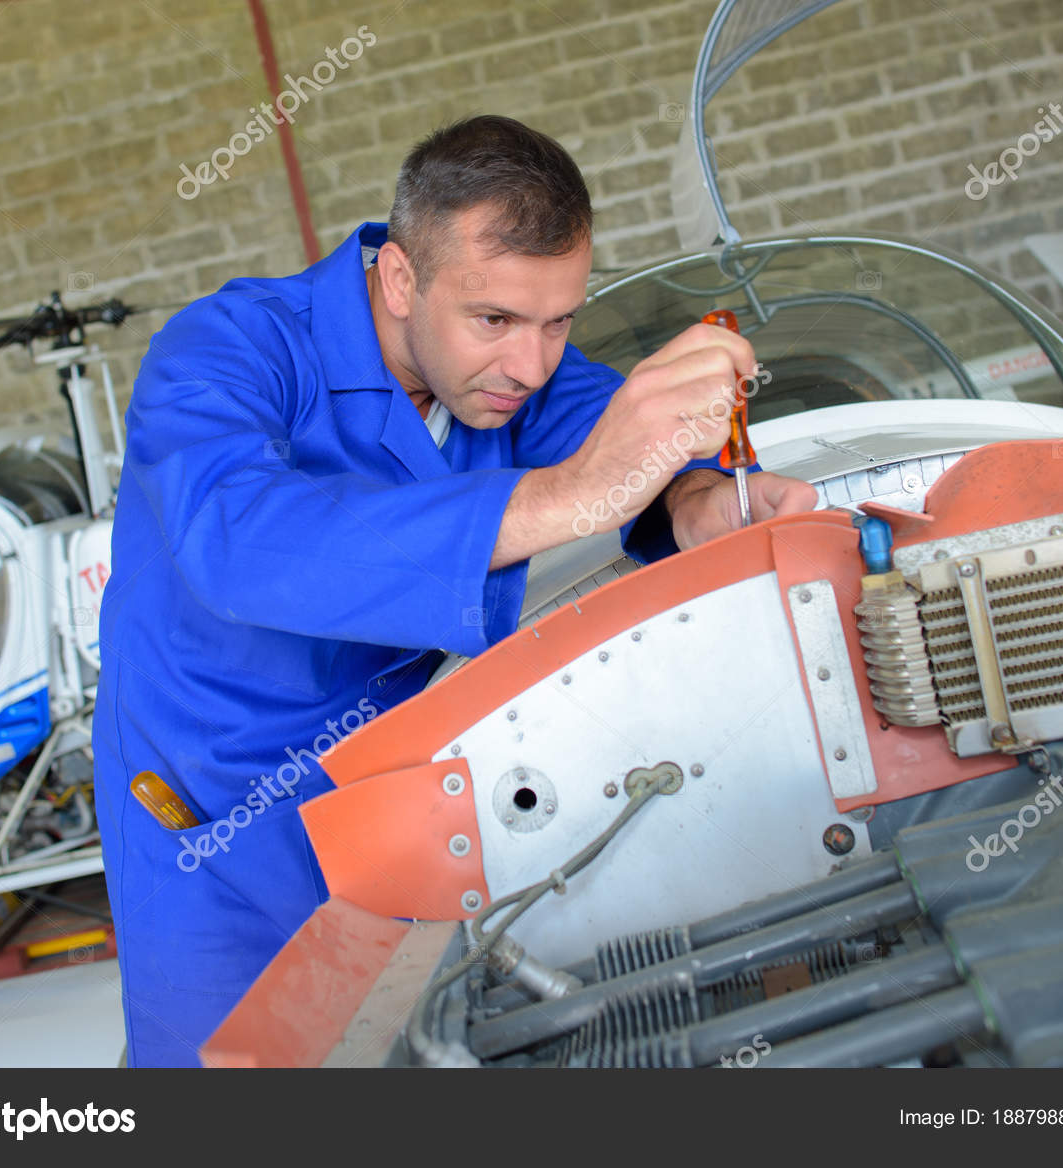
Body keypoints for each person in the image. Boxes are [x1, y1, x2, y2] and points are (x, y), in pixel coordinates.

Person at [91, 114, 818, 1066]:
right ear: (400, 279)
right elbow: (240, 542)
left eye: (559, 320)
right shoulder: (225, 352)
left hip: (415, 779)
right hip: (220, 808)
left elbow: (594, 421)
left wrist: (695, 500)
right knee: (249, 1063)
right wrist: (571, 494)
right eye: (496, 322)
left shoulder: (519, 376)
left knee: (427, 1043)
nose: (531, 362)